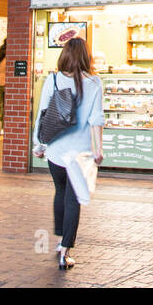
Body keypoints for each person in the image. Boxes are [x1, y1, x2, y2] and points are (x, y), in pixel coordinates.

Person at [32, 37, 104, 270]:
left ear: (64, 54)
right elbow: (96, 120)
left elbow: (42, 115)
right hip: (79, 154)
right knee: (73, 199)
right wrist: (98, 149)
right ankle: (65, 250)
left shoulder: (51, 80)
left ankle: (60, 239)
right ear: (86, 56)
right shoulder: (94, 83)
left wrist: (39, 145)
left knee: (60, 191)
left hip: (56, 150)